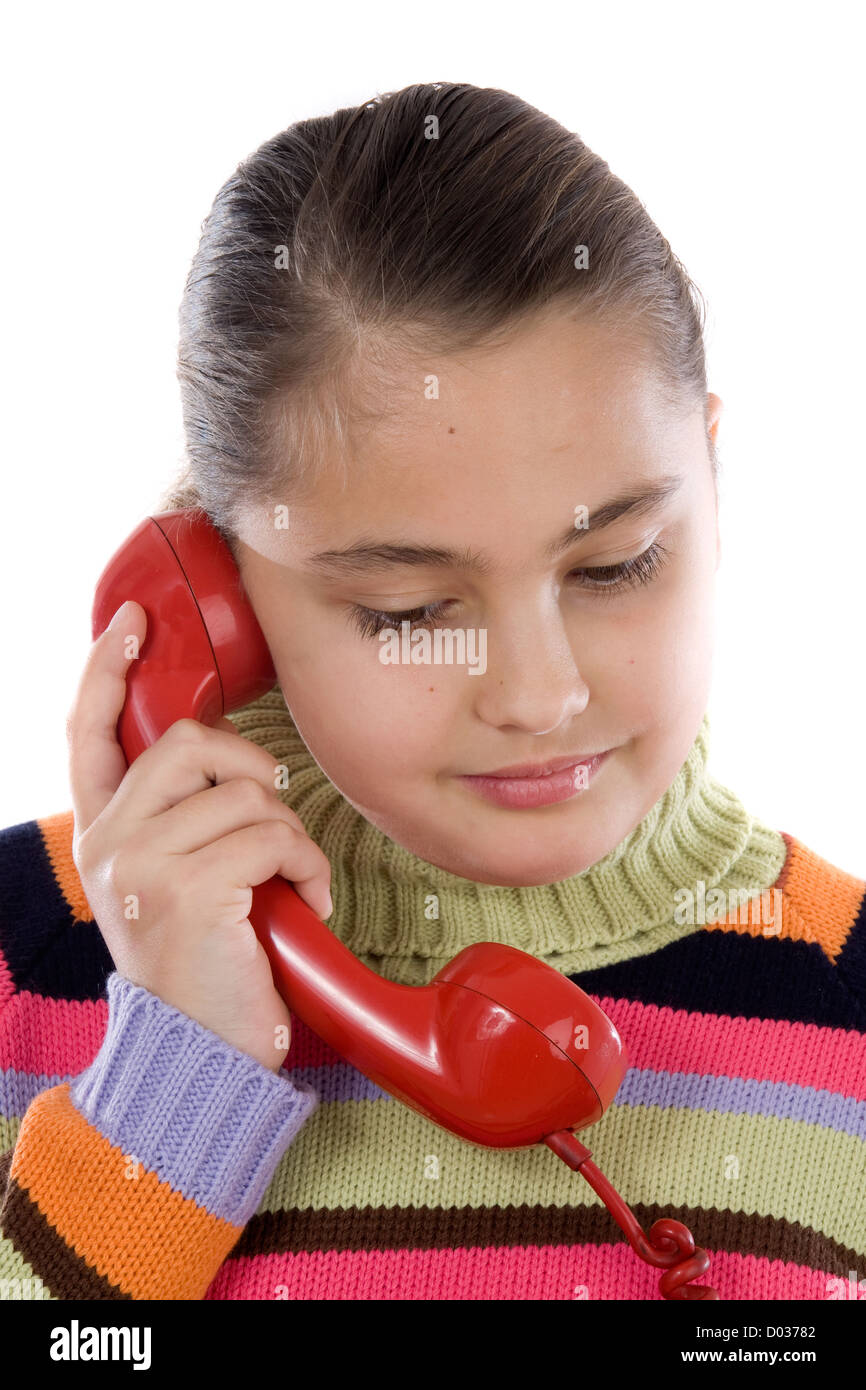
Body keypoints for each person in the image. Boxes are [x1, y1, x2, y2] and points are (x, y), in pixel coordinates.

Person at [1, 81, 864, 1302]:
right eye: (408, 611)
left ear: (709, 483)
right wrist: (168, 1087)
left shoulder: (847, 993)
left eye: (615, 565)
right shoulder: (21, 955)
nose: (536, 695)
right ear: (217, 595)